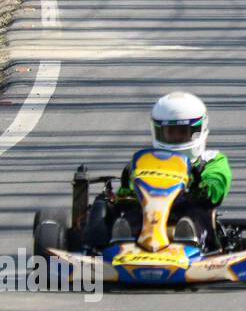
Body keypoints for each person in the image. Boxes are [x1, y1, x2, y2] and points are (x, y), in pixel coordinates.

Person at [85, 92, 233, 252]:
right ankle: (121, 238)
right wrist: (124, 197)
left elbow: (217, 186)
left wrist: (201, 187)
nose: (177, 137)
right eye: (171, 132)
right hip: (148, 212)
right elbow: (127, 189)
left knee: (194, 216)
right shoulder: (147, 161)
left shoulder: (211, 161)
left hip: (188, 208)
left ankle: (188, 240)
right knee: (124, 214)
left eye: (183, 132)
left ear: (198, 130)